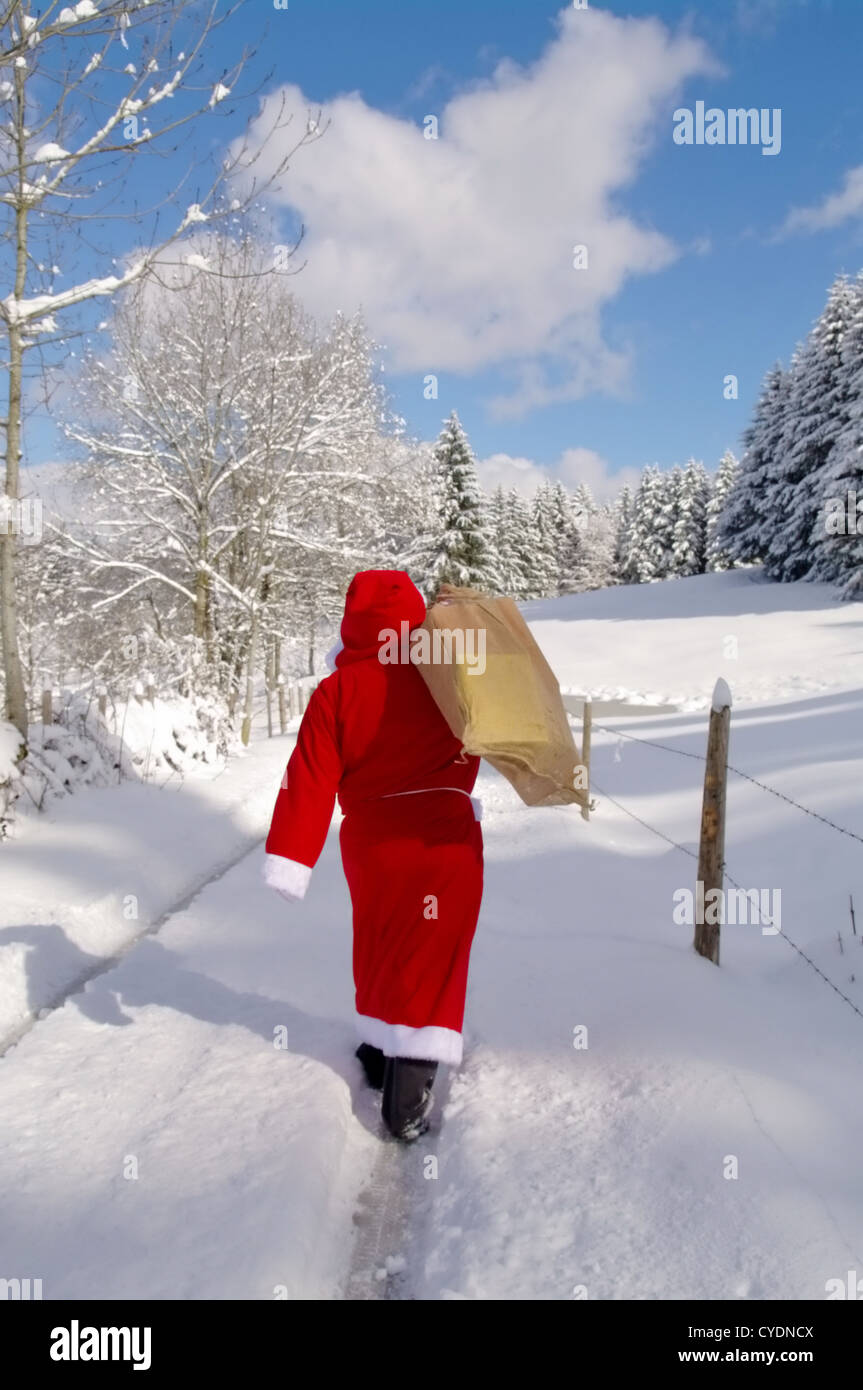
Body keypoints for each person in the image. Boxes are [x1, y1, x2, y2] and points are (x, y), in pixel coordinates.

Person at [263, 569, 484, 1142]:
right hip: (445, 842)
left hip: (373, 848)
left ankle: (381, 1052)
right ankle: (405, 1103)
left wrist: (291, 858)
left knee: (383, 945)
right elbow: (495, 730)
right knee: (432, 959)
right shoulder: (452, 676)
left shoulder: (336, 692)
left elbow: (307, 780)